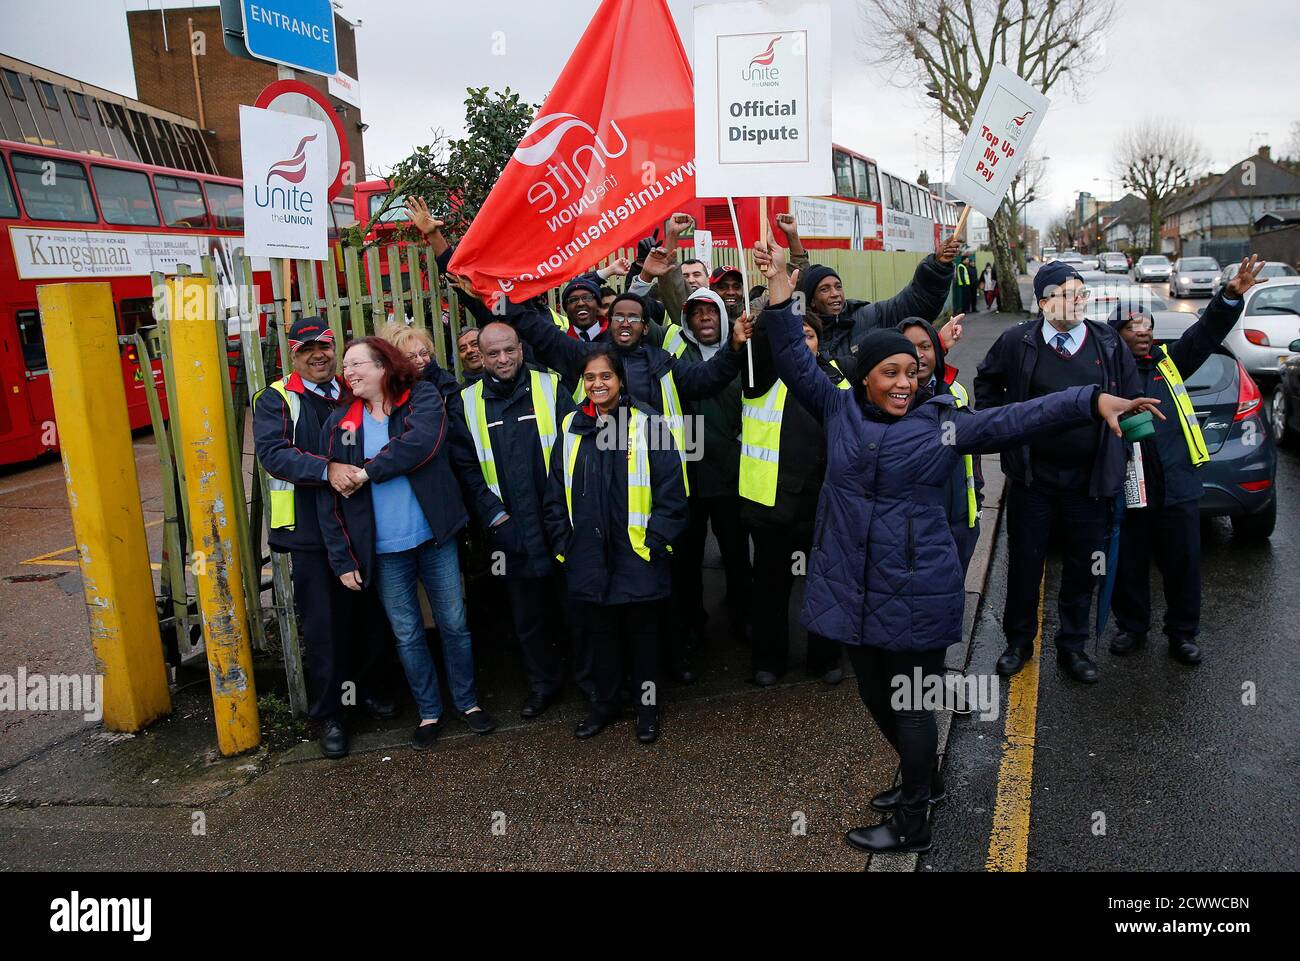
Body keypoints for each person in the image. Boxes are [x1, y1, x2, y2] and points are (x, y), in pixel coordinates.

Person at [753, 239, 1164, 853]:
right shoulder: (838, 412)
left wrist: (1092, 399)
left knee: (912, 705)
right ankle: (918, 777)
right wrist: (783, 282)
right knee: (873, 695)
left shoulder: (940, 424)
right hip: (852, 586)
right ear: (864, 377)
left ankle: (914, 818)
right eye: (889, 372)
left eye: (911, 372)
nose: (903, 382)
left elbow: (1018, 419)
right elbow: (789, 354)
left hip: (917, 588)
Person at [318, 336, 497, 749]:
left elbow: (421, 445)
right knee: (408, 634)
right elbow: (329, 498)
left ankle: (468, 703)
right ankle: (430, 712)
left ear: (384, 365)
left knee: (454, 624)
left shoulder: (421, 397)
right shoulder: (341, 422)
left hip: (434, 537)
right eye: (346, 367)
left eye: (357, 364)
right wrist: (343, 558)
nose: (349, 372)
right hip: (383, 550)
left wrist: (363, 473)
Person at [974, 260, 1141, 684]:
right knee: (1026, 565)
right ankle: (1018, 642)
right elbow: (988, 382)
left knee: (1083, 567)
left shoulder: (1105, 341)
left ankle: (1073, 646)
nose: (1079, 301)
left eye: (1082, 293)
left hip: (1089, 481)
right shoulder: (1018, 341)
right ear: (1046, 302)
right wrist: (1001, 427)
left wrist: (1129, 427)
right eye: (1069, 293)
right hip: (1034, 480)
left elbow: (1131, 390)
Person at [252, 317, 397, 759]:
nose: (318, 354)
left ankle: (369, 693)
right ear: (292, 355)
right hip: (309, 533)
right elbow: (274, 454)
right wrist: (326, 470)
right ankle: (332, 713)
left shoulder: (351, 389)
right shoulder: (276, 398)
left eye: (325, 346)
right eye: (306, 349)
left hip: (358, 523)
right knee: (324, 625)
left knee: (368, 614)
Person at [1109, 256, 1266, 664]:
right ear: (1117, 335)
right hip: (1130, 483)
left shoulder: (1170, 363)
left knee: (1182, 563)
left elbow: (1205, 332)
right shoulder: (1107, 377)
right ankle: (1132, 627)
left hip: (1176, 482)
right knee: (1129, 561)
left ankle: (1182, 633)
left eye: (1146, 326)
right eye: (1132, 327)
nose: (1142, 333)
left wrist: (1229, 297)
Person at [543, 347, 689, 743]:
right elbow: (556, 491)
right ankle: (604, 704)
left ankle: (647, 710)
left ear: (620, 380)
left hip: (637, 554)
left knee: (643, 639)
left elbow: (671, 492)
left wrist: (657, 542)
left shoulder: (648, 423)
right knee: (600, 637)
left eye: (605, 376)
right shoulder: (572, 425)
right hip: (587, 555)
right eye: (590, 378)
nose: (597, 384)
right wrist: (564, 545)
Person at [454, 321, 576, 719]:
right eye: (493, 354)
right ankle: (543, 686)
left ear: (521, 348)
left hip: (558, 524)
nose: (503, 359)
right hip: (508, 531)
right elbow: (467, 469)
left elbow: (574, 450)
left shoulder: (550, 386)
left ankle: (591, 680)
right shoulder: (465, 402)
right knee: (527, 618)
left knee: (576, 608)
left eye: (509, 350)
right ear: (481, 357)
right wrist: (495, 518)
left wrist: (563, 511)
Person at [740, 300, 847, 686]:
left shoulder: (838, 380)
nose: (803, 342)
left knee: (826, 586)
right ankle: (768, 661)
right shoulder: (762, 375)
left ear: (820, 341)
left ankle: (826, 658)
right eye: (796, 335)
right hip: (773, 507)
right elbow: (765, 337)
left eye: (810, 335)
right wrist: (773, 296)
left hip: (824, 506)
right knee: (770, 590)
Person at [668, 287, 752, 679]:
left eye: (711, 312)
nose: (704, 318)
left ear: (723, 316)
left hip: (731, 474)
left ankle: (741, 617)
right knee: (687, 559)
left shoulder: (743, 353)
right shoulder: (675, 356)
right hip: (687, 477)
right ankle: (690, 626)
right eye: (696, 313)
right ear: (687, 319)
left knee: (736, 553)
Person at [897, 315, 983, 574]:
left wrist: (976, 500)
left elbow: (973, 454)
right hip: (908, 527)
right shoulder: (889, 397)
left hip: (958, 521)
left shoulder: (957, 392)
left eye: (925, 347)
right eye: (908, 347)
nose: (918, 355)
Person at [799, 234, 962, 369]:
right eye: (825, 289)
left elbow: (913, 302)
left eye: (838, 286)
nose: (835, 294)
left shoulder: (869, 316)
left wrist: (937, 266)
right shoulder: (802, 332)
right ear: (812, 301)